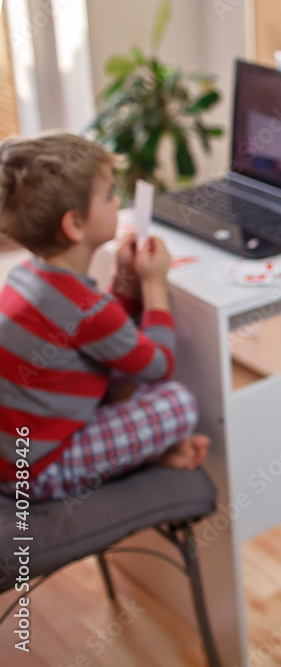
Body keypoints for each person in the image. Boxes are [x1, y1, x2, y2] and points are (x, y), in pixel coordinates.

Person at [0, 133, 210, 502]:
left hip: (17, 454)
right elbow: (158, 363)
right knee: (178, 401)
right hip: (40, 471)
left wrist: (126, 280)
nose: (119, 202)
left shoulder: (25, 276)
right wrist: (155, 284)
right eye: (110, 194)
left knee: (122, 366)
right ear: (75, 224)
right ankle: (146, 457)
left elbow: (103, 332)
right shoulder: (81, 305)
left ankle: (143, 453)